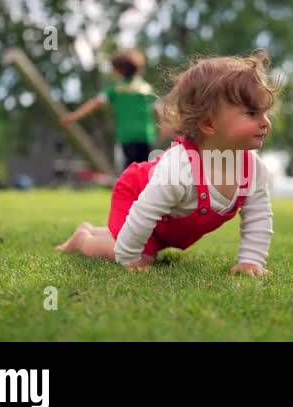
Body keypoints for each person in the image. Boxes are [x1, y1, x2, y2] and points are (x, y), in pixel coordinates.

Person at [57, 50, 278, 277]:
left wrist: (251, 260)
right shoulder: (180, 168)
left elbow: (258, 215)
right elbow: (144, 212)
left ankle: (94, 231)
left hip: (165, 224)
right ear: (209, 124)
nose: (265, 122)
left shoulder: (253, 169)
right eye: (252, 113)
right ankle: (84, 240)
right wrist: (129, 257)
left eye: (265, 112)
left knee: (142, 240)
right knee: (140, 252)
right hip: (137, 196)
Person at [61, 48, 159, 169]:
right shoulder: (146, 89)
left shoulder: (116, 90)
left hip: (127, 137)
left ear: (120, 70)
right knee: (145, 171)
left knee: (129, 171)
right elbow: (158, 110)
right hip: (146, 136)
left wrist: (74, 116)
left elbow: (95, 102)